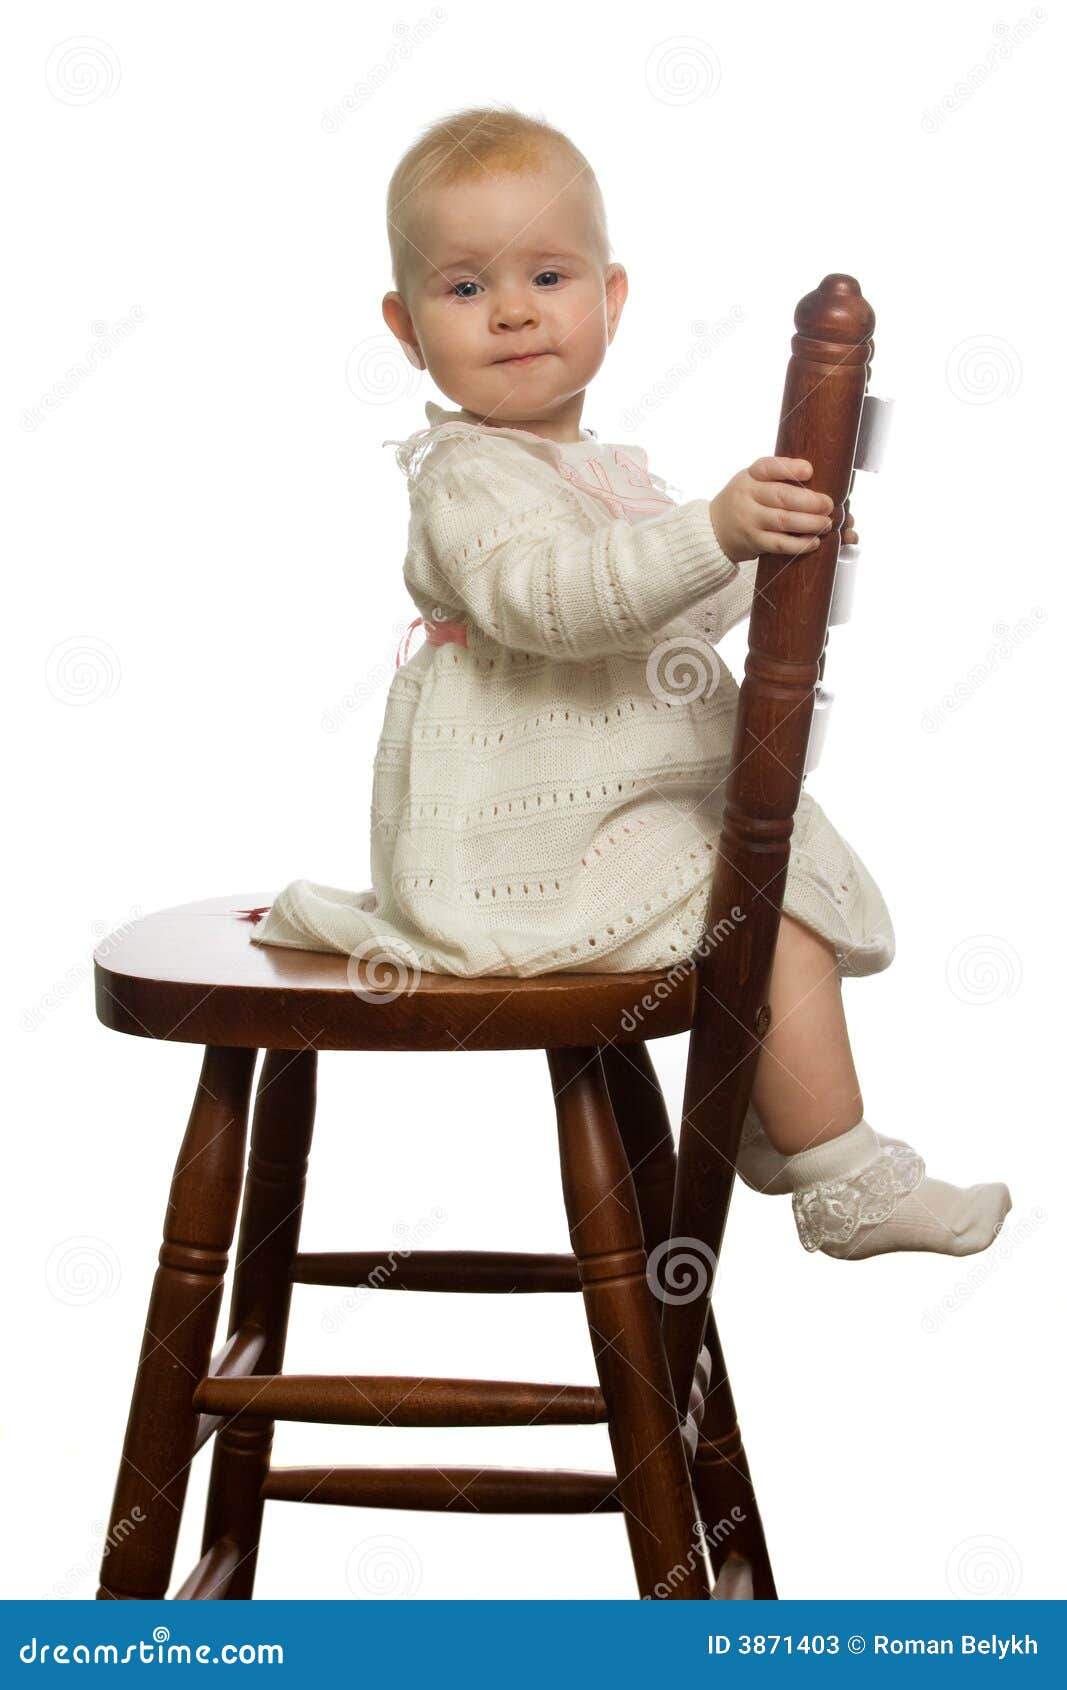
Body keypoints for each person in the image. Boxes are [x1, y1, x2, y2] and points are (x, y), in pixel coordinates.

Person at [251, 104, 1010, 1262]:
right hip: (516, 856)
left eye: (545, 275)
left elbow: (665, 598)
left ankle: (796, 1124)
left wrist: (763, 560)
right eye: (464, 289)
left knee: (772, 873)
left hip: (610, 815)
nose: (510, 309)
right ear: (405, 329)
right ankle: (838, 1171)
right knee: (756, 896)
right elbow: (556, 602)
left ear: (608, 300)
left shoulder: (604, 468)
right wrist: (711, 528)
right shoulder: (463, 476)